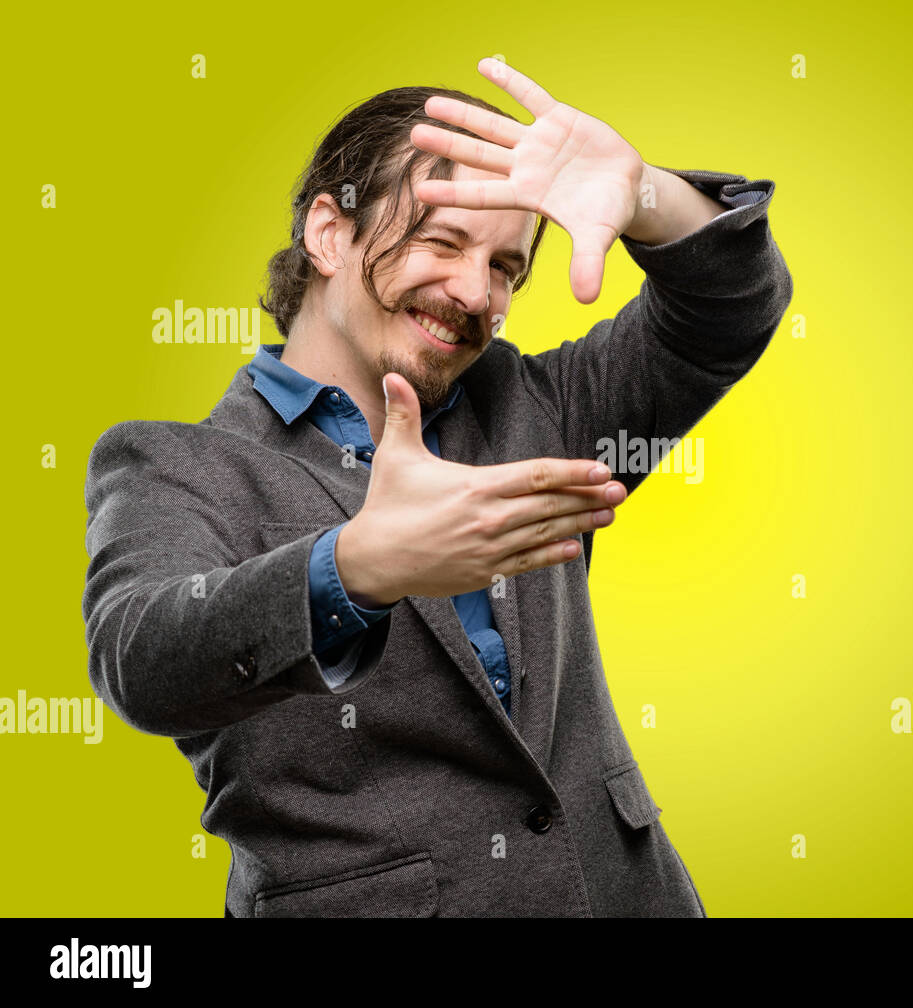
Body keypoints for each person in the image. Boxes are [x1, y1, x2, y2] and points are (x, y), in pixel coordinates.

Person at [83, 57, 793, 917]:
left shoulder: (539, 407)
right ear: (329, 233)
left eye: (504, 268)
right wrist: (354, 568)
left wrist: (643, 193)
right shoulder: (177, 464)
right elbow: (144, 657)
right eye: (442, 241)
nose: (473, 294)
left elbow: (727, 314)